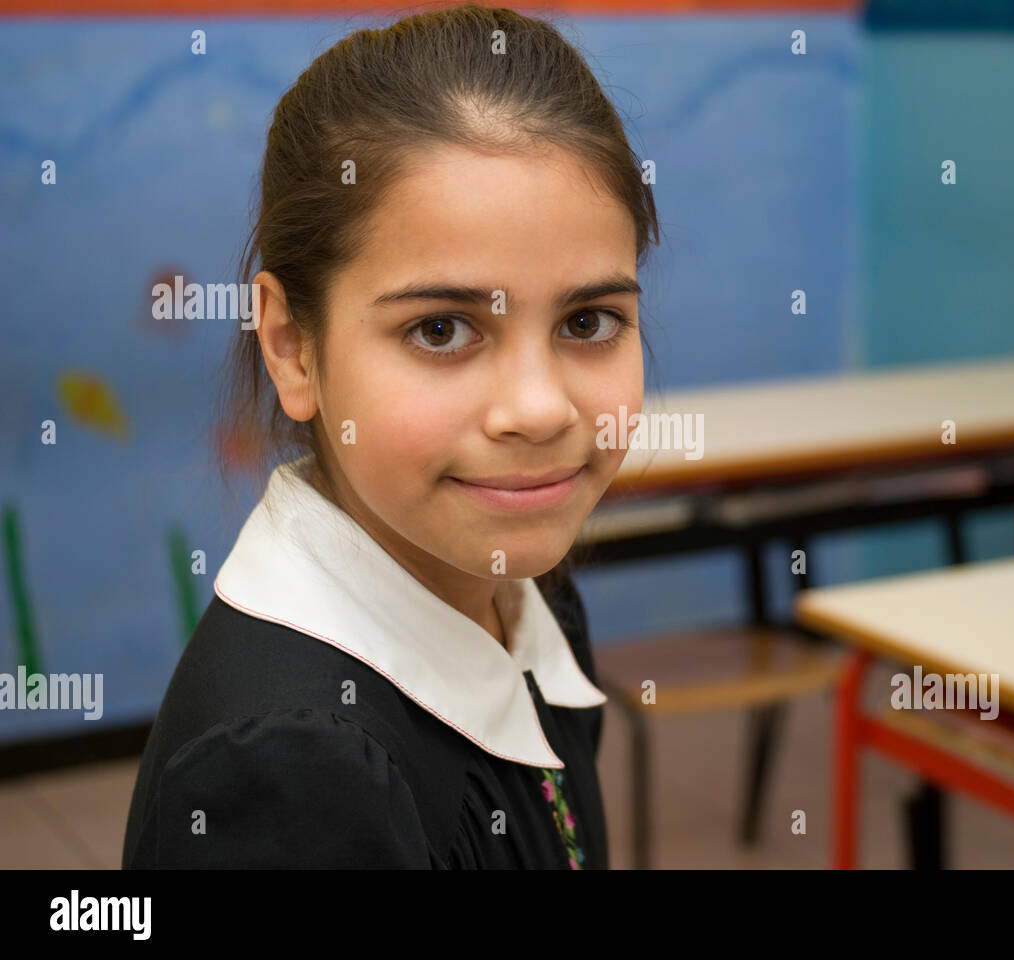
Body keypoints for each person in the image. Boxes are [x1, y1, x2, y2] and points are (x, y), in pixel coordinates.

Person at [122, 2, 660, 869]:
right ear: (293, 347)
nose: (540, 410)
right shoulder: (293, 777)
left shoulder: (528, 593)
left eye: (589, 320)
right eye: (442, 330)